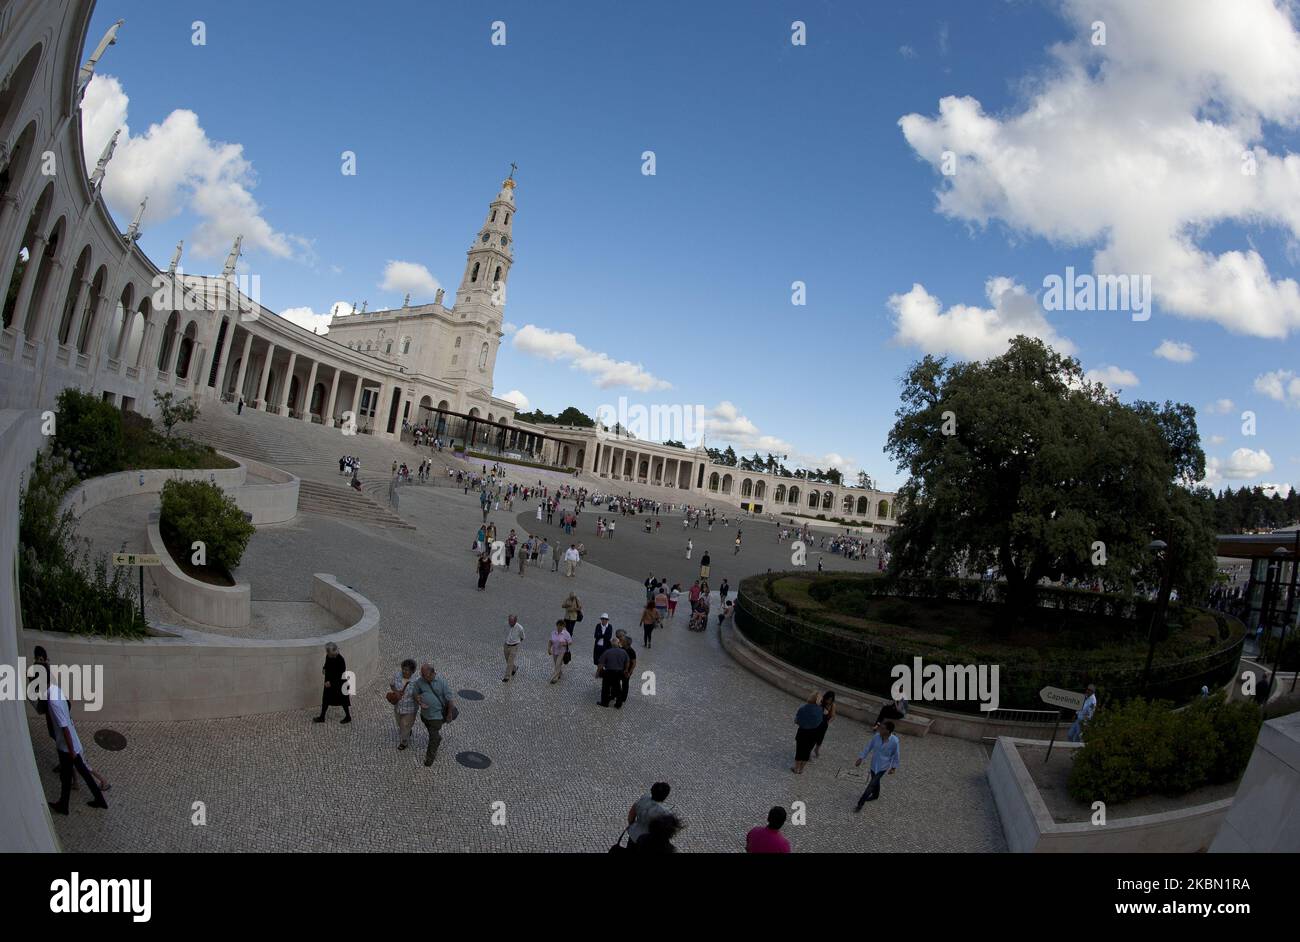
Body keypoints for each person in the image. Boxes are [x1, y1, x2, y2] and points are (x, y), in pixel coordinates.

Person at [34, 658, 108, 815]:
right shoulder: (55, 690)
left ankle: (66, 805)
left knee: (73, 775)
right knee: (74, 775)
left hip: (66, 747)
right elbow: (67, 707)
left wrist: (72, 751)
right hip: (69, 744)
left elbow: (64, 728)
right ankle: (89, 802)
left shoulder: (52, 700)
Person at [410, 663, 455, 767]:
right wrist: (419, 702)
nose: (423, 677)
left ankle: (430, 757)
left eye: (425, 675)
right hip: (425, 716)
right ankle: (437, 738)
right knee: (432, 732)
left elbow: (450, 700)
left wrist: (449, 714)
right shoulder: (420, 681)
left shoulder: (442, 682)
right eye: (422, 675)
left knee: (433, 736)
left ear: (432, 673)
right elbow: (415, 693)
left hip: (437, 716)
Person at [854, 720, 901, 809]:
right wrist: (861, 758)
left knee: (871, 784)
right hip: (874, 764)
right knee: (875, 781)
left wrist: (893, 768)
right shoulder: (876, 737)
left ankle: (860, 803)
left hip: (883, 766)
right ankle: (876, 795)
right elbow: (868, 747)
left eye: (882, 728)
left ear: (888, 731)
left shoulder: (894, 741)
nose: (879, 729)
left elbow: (896, 754)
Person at [313, 642, 351, 724]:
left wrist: (331, 683)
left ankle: (348, 717)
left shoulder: (341, 660)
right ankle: (322, 717)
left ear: (333, 652)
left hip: (339, 684)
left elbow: (341, 675)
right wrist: (324, 668)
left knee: (343, 701)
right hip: (328, 682)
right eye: (327, 652)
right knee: (325, 700)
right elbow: (326, 664)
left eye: (328, 652)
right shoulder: (329, 656)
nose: (327, 654)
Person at [390, 658, 418, 749]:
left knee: (404, 725)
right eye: (403, 669)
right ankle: (407, 731)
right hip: (398, 706)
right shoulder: (397, 675)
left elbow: (419, 694)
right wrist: (396, 691)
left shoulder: (416, 681)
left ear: (412, 671)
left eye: (407, 670)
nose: (404, 671)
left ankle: (404, 742)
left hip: (410, 708)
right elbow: (392, 684)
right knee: (400, 723)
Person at [792, 691, 822, 774]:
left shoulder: (803, 708)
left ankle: (796, 768)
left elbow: (797, 720)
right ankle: (801, 769)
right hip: (814, 733)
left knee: (799, 750)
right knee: (807, 751)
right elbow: (820, 722)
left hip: (803, 732)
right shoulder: (820, 710)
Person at [597, 633, 630, 707]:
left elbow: (601, 663)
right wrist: (626, 670)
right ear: (618, 644)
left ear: (611, 644)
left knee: (606, 688)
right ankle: (619, 704)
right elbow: (627, 661)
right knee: (617, 688)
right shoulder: (623, 652)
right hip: (618, 672)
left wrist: (598, 672)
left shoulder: (607, 652)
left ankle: (605, 703)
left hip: (609, 672)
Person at [813, 690, 836, 759]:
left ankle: (816, 750)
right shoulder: (821, 701)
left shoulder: (832, 705)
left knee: (820, 738)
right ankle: (809, 751)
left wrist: (828, 722)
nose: (828, 701)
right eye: (828, 699)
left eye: (830, 700)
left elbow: (833, 716)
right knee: (813, 736)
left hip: (824, 723)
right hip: (816, 721)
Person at [548, 620, 572, 684]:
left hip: (562, 651)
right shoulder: (553, 633)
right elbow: (550, 641)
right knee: (556, 663)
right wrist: (549, 649)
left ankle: (555, 678)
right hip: (554, 650)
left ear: (563, 626)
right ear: (557, 625)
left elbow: (570, 642)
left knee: (558, 664)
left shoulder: (566, 634)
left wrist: (564, 643)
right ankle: (560, 672)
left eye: (562, 626)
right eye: (559, 626)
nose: (560, 628)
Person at [503, 615, 525, 682]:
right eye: (509, 621)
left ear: (515, 621)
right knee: (507, 659)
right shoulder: (508, 626)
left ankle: (507, 677)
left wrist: (517, 643)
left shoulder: (520, 628)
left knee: (510, 661)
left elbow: (522, 637)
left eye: (511, 622)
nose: (509, 623)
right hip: (506, 644)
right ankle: (514, 668)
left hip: (514, 646)